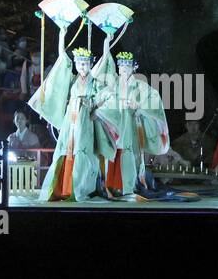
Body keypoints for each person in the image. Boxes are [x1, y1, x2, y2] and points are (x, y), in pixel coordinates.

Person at [31, 47, 119, 201]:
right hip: (70, 121)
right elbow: (59, 78)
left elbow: (107, 94)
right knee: (65, 151)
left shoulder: (96, 82)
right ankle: (63, 188)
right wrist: (61, 38)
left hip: (85, 122)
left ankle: (80, 189)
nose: (81, 66)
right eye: (79, 63)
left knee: (83, 154)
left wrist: (94, 108)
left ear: (90, 64)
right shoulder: (72, 80)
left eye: (85, 63)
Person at [100, 51, 170, 195]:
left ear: (133, 68)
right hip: (116, 125)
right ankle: (112, 186)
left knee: (131, 155)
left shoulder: (141, 87)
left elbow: (153, 102)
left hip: (131, 125)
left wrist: (139, 108)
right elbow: (102, 98)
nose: (124, 69)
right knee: (114, 154)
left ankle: (131, 186)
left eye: (127, 66)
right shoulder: (112, 86)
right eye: (121, 66)